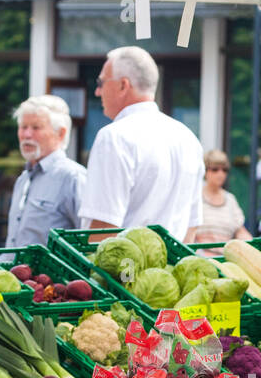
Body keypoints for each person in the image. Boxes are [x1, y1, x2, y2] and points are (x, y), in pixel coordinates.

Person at [80, 45, 204, 241]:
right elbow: (192, 225)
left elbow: (103, 227)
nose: (97, 91)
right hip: (170, 268)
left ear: (123, 85)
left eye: (101, 82)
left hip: (122, 269)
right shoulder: (188, 138)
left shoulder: (114, 137)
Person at [4, 95, 86, 247]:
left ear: (60, 134)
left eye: (36, 127)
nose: (27, 134)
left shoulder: (73, 177)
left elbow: (88, 242)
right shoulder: (23, 180)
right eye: (23, 127)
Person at [197, 149, 249, 243]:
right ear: (205, 171)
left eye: (224, 170)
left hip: (223, 256)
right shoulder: (196, 197)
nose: (220, 174)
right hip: (198, 255)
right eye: (215, 169)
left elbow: (240, 231)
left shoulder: (230, 200)